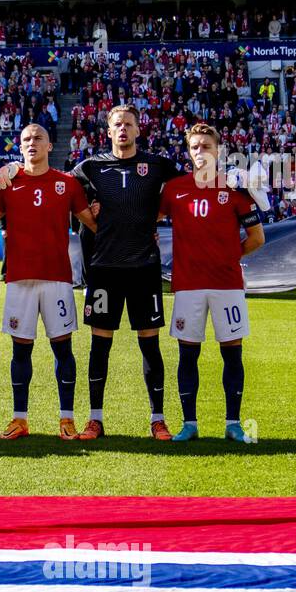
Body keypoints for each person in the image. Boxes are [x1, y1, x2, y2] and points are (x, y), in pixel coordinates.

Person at [72, 104, 183, 441]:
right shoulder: (91, 167)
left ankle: (158, 419)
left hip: (143, 269)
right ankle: (95, 420)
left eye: (128, 124)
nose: (123, 129)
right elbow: (66, 190)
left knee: (150, 346)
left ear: (138, 130)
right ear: (108, 131)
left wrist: (158, 216)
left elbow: (185, 189)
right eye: (117, 124)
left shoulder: (157, 165)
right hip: (104, 270)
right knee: (99, 348)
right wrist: (91, 214)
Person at [159, 123, 265, 443]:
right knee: (187, 355)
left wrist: (229, 256)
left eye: (206, 146)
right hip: (188, 286)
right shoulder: (174, 189)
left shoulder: (236, 188)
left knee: (232, 354)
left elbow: (257, 238)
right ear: (188, 153)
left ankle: (233, 423)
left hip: (227, 285)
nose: (201, 151)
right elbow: (147, 222)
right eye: (195, 147)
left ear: (218, 150)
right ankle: (189, 424)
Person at [0, 124, 96, 440]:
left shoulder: (67, 183)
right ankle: (19, 419)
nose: (32, 143)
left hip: (57, 279)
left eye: (38, 139)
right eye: (26, 140)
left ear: (50, 146)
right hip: (20, 280)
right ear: (19, 147)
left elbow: (91, 223)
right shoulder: (6, 182)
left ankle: (66, 420)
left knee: (62, 350)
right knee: (20, 351)